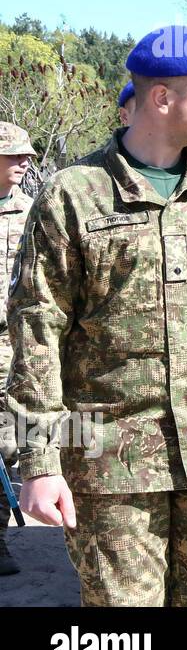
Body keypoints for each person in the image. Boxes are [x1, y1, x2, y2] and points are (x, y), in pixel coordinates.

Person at [7, 25, 187, 606]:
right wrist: (38, 460)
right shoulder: (73, 194)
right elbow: (36, 333)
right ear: (163, 98)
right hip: (113, 470)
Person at [0, 121, 36, 576]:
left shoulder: (32, 211)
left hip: (18, 344)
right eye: (15, 154)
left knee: (9, 443)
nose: (25, 162)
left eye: (28, 154)